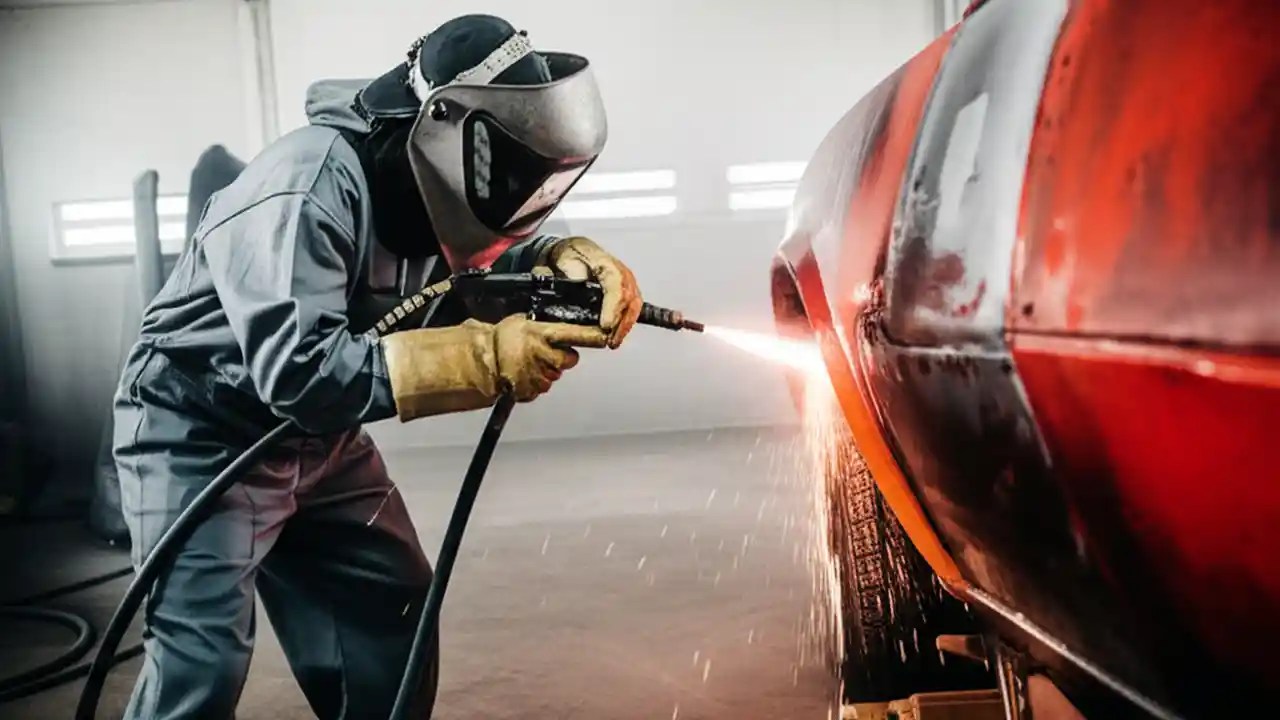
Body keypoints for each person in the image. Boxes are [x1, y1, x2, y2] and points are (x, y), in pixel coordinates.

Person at [111, 15, 640, 719]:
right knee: (200, 663)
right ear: (447, 130)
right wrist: (486, 357)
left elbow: (464, 272)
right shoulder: (307, 187)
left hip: (318, 441)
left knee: (391, 606)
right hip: (201, 431)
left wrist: (547, 259)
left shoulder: (427, 192)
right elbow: (300, 373)